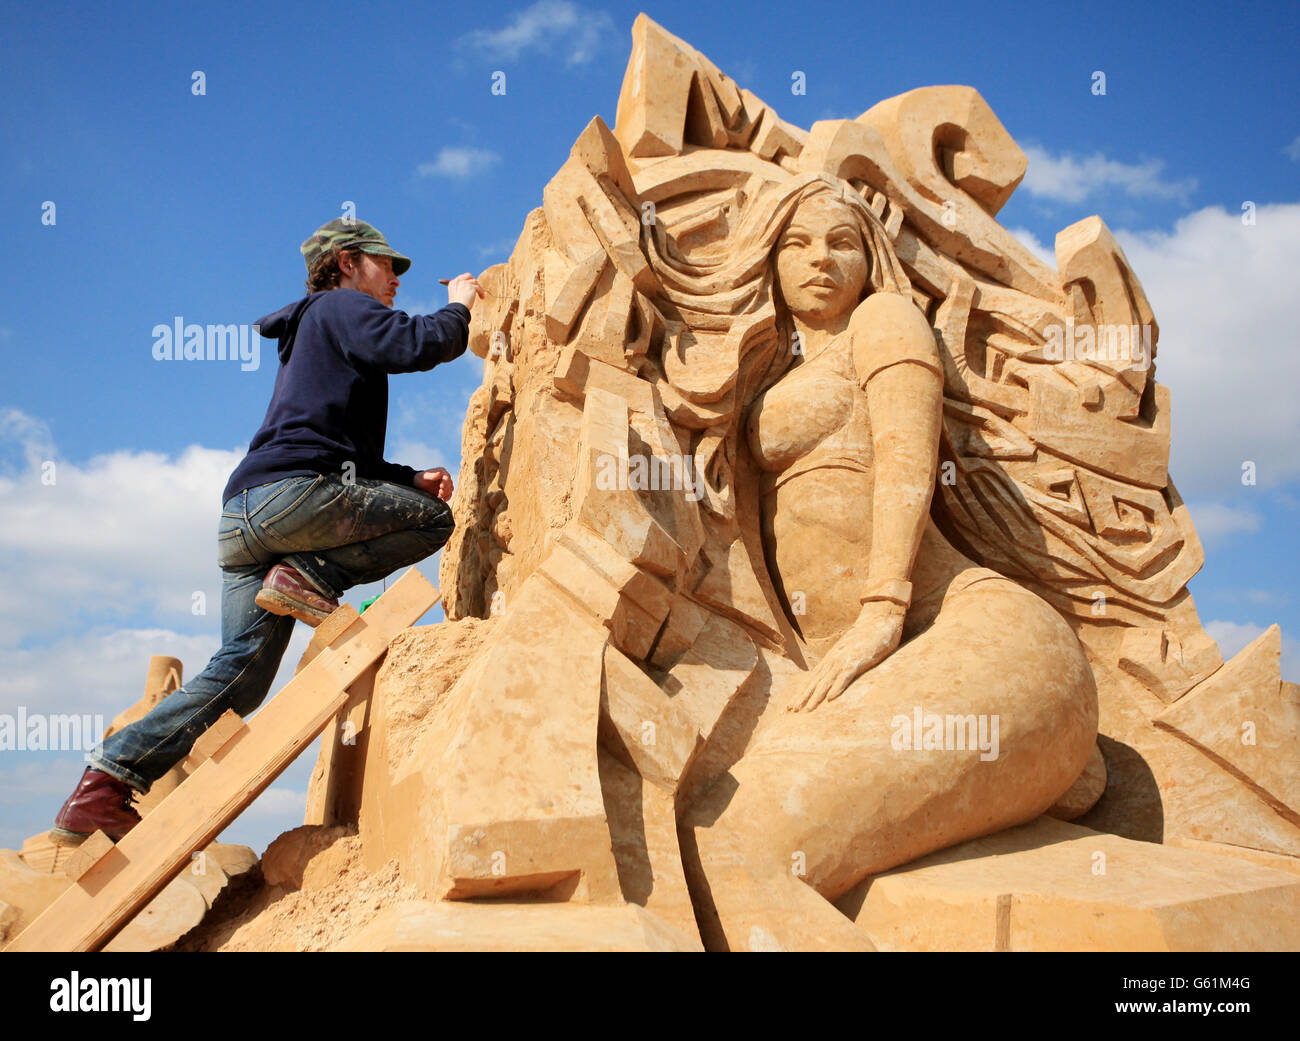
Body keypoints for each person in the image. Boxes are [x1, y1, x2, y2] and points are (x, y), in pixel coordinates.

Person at [651, 174, 1098, 949]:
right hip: (873, 671)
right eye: (796, 243)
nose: (819, 258)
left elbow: (904, 459)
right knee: (709, 825)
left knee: (741, 842)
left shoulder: (885, 323)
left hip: (979, 642)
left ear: (870, 258)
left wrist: (881, 613)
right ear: (769, 260)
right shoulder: (777, 371)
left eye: (841, 241)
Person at [50, 218, 483, 845]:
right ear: (346, 263)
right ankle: (308, 576)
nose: (395, 278)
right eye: (387, 265)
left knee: (241, 675)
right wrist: (461, 306)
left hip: (246, 514)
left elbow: (334, 446)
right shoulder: (340, 307)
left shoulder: (317, 330)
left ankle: (103, 786)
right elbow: (418, 346)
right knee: (435, 520)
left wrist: (404, 475)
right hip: (290, 497)